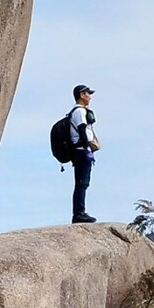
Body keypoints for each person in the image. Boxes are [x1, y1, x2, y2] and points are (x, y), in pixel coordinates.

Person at [69, 84, 98, 223]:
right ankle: (79, 213)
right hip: (81, 151)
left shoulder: (78, 111)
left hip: (80, 151)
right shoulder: (79, 111)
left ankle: (79, 212)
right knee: (82, 183)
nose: (89, 97)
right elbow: (82, 129)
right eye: (87, 94)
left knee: (82, 183)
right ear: (81, 95)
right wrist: (87, 148)